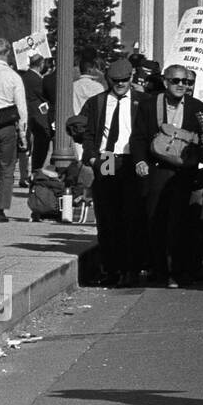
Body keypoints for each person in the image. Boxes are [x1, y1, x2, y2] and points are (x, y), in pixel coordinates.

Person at [130, 64, 203, 288]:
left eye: (186, 82)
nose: (181, 85)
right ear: (166, 82)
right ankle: (160, 270)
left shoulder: (197, 107)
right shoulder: (149, 105)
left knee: (182, 221)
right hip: (157, 169)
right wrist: (139, 161)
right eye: (176, 81)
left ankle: (180, 269)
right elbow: (137, 137)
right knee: (156, 219)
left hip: (184, 171)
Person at [68, 58, 146, 287]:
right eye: (116, 81)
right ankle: (111, 268)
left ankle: (130, 269)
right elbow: (88, 134)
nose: (120, 85)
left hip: (131, 159)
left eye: (125, 80)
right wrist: (92, 157)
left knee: (131, 215)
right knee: (108, 215)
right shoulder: (97, 102)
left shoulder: (142, 102)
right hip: (108, 158)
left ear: (131, 78)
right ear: (109, 80)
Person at [0, 39, 28, 224]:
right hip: (7, 124)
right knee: (7, 168)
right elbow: (22, 108)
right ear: (8, 53)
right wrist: (23, 134)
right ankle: (1, 209)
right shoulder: (14, 76)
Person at [20, 53, 52, 175]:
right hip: (37, 115)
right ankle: (36, 171)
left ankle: (30, 172)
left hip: (29, 114)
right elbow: (44, 96)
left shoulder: (25, 77)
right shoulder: (36, 79)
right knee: (41, 145)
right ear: (41, 64)